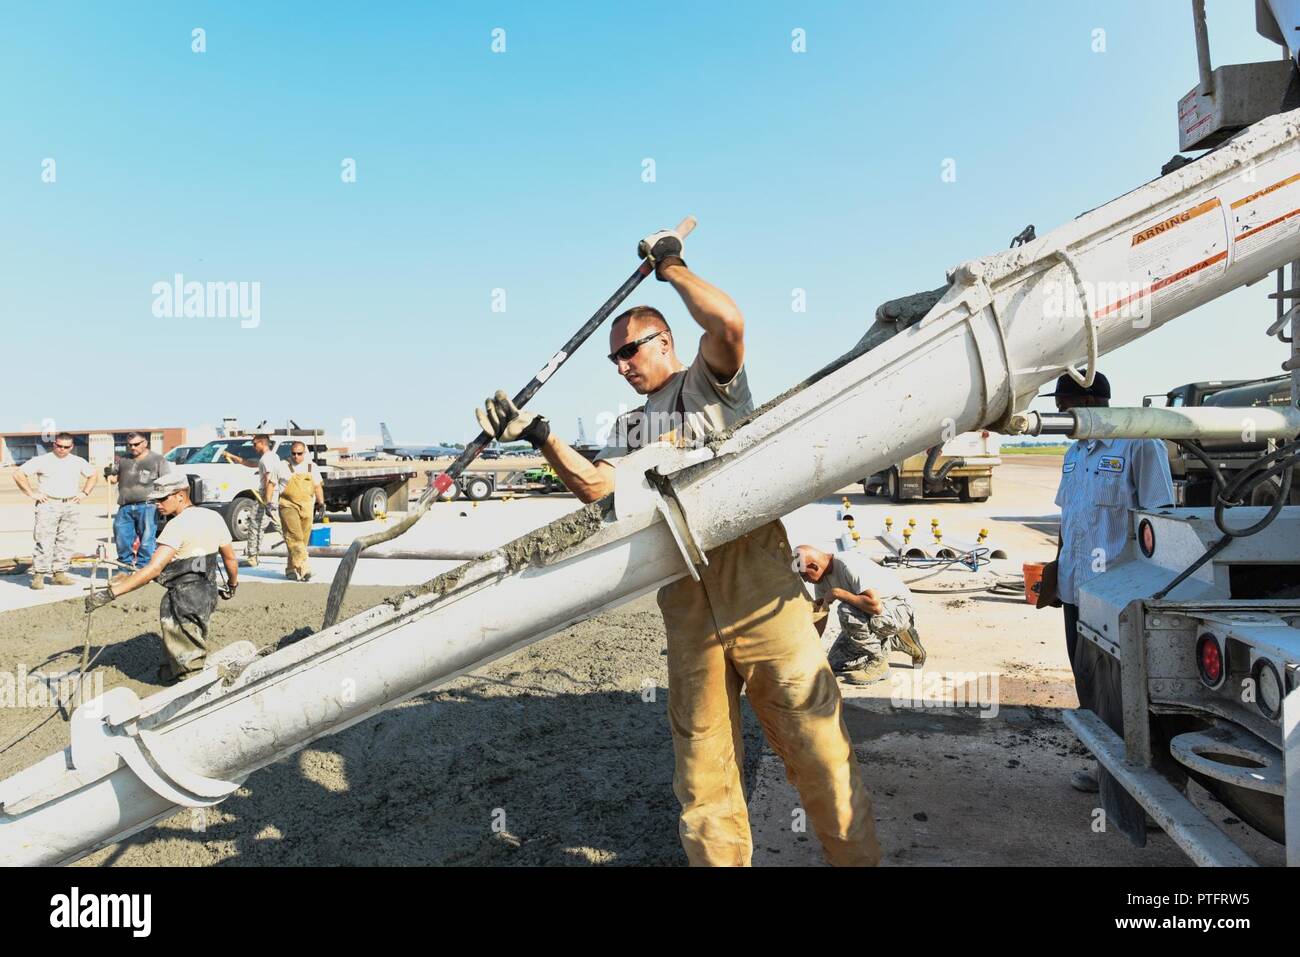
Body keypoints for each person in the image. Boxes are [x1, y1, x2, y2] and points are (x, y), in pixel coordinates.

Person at [472, 227, 881, 867]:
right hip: (686, 597)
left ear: (663, 341)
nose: (622, 365)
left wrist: (673, 268)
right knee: (702, 767)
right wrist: (540, 436)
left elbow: (729, 323)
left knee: (817, 745)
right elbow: (598, 490)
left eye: (629, 350)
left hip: (759, 587)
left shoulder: (710, 386)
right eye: (613, 359)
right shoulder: (631, 426)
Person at [1040, 371, 1174, 839]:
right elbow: (1068, 519)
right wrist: (1055, 577)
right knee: (1092, 688)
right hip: (1078, 593)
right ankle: (1109, 772)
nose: (1062, 418)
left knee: (1135, 697)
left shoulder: (1140, 445)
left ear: (1091, 400)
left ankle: (1156, 798)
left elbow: (1163, 523)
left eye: (1066, 408)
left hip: (1121, 600)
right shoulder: (1075, 452)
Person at [86, 472, 238, 683]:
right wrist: (232, 584)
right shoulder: (213, 517)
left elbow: (154, 569)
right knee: (193, 634)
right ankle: (173, 671)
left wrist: (111, 593)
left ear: (180, 496)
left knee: (187, 648)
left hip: (183, 599)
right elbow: (230, 558)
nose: (157, 504)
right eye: (155, 500)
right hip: (208, 592)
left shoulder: (176, 526)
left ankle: (191, 685)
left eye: (162, 499)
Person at [794, 545, 926, 684]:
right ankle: (897, 639)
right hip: (869, 616)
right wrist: (811, 650)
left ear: (814, 566)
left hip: (898, 610)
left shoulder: (848, 565)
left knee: (846, 610)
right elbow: (821, 614)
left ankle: (878, 663)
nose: (805, 580)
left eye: (803, 575)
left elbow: (875, 606)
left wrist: (838, 593)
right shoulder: (821, 579)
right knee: (836, 663)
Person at [13, 433, 97, 590]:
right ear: (54, 444)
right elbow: (18, 474)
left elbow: (93, 475)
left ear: (71, 447)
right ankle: (39, 575)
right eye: (59, 446)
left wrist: (84, 493)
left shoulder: (77, 461)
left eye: (66, 447)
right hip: (48, 504)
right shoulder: (42, 460)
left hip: (70, 504)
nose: (62, 450)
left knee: (66, 540)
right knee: (44, 541)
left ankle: (59, 573)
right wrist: (32, 493)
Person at [105, 432, 170, 569]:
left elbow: (167, 482)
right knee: (122, 539)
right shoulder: (123, 460)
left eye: (136, 444)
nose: (132, 447)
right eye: (129, 445)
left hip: (147, 505)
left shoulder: (158, 460)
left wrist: (162, 502)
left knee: (146, 541)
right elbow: (114, 477)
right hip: (125, 506)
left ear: (145, 443)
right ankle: (125, 569)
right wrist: (109, 476)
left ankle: (143, 570)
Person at [223, 434, 280, 563]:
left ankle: (253, 557)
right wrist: (232, 457)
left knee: (257, 525)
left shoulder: (267, 459)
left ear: (262, 443)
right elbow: (250, 463)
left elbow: (268, 478)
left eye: (254, 444)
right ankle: (254, 556)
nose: (253, 447)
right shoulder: (271, 457)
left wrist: (266, 499)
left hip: (267, 496)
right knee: (265, 524)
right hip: (270, 495)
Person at [276, 441, 324, 581]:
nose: (296, 456)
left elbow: (317, 486)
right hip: (287, 505)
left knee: (301, 539)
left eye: (299, 453)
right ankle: (304, 568)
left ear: (305, 453)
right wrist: (268, 502)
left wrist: (321, 503)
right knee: (294, 536)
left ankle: (291, 569)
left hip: (307, 506)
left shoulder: (311, 467)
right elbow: (271, 483)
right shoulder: (282, 466)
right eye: (293, 453)